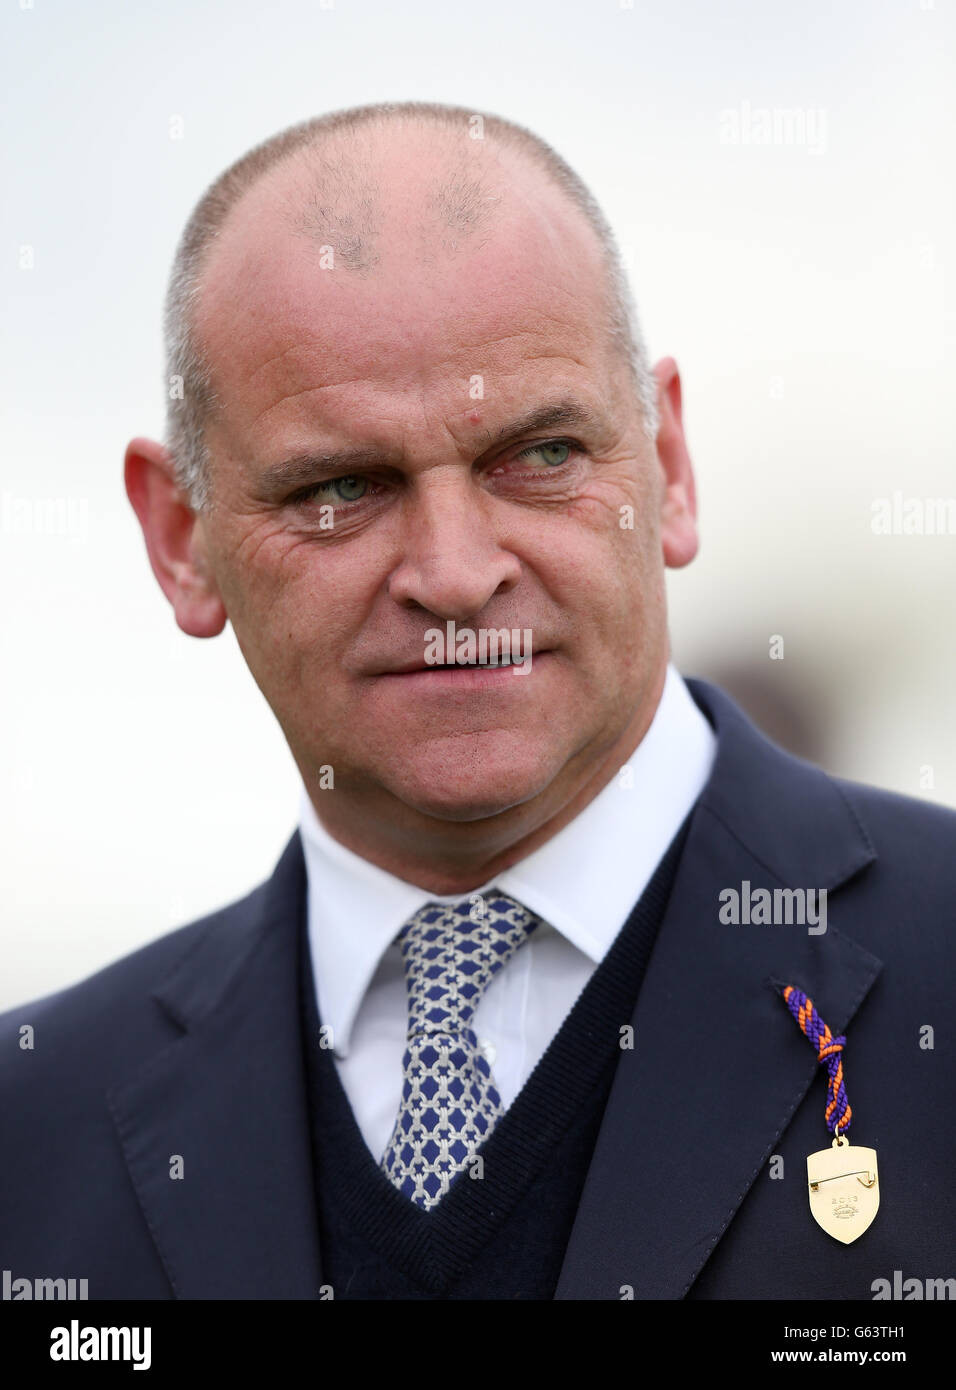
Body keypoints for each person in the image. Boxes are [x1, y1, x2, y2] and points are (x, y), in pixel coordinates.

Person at [2, 101, 953, 1302]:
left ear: (663, 464)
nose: (454, 572)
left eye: (539, 454)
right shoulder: (33, 1138)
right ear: (182, 539)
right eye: (341, 486)